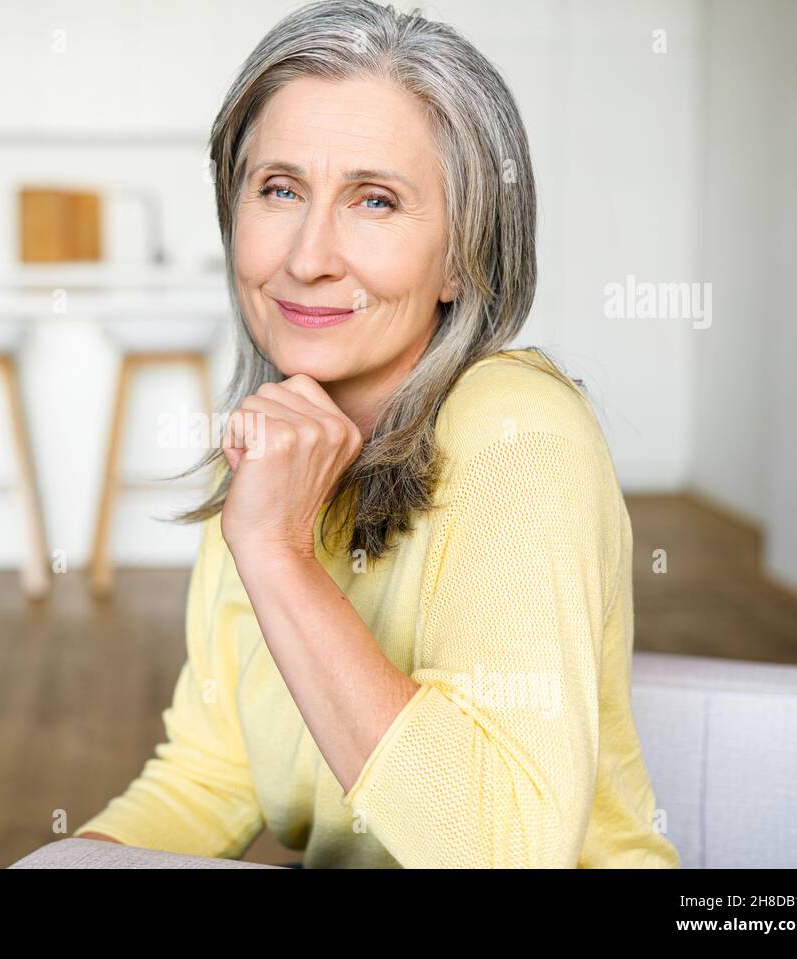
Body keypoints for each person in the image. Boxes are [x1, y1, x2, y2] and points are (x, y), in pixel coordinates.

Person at [75, 0, 681, 868]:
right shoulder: (277, 446)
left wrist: (279, 555)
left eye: (376, 200)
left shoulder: (520, 433)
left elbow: (502, 849)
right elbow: (211, 771)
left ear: (463, 255)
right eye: (280, 189)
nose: (308, 255)